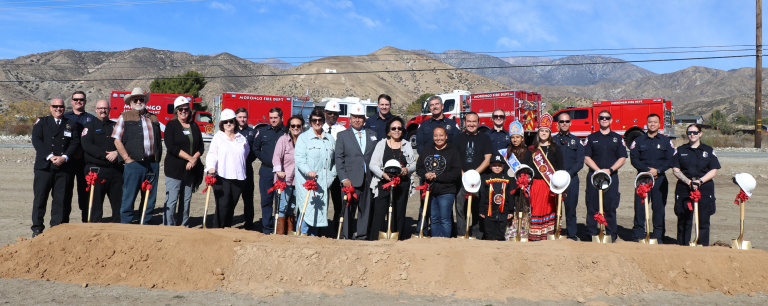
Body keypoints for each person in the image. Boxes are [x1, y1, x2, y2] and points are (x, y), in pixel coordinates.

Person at [112, 87, 163, 224]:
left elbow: (158, 140)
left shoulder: (153, 117)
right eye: (136, 100)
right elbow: (117, 140)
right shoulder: (124, 116)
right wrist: (127, 159)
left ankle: (145, 223)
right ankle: (127, 224)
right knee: (129, 195)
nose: (139, 101)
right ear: (130, 102)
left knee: (149, 196)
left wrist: (157, 158)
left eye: (141, 99)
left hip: (152, 163)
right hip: (134, 164)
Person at [31, 98, 80, 237]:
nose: (58, 109)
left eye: (61, 106)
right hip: (45, 166)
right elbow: (36, 140)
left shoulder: (70, 123)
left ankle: (56, 228)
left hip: (63, 167)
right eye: (55, 106)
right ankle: (37, 228)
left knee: (61, 199)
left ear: (65, 108)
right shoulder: (42, 122)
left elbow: (75, 142)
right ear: (50, 107)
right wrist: (50, 156)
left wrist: (64, 157)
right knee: (40, 198)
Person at [671, 124, 720, 246]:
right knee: (684, 220)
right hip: (684, 188)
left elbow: (714, 170)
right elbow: (675, 169)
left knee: (703, 220)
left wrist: (700, 181)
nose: (692, 135)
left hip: (704, 188)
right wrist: (688, 182)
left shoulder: (708, 151)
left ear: (700, 134)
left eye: (695, 132)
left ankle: (702, 247)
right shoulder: (680, 150)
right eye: (689, 132)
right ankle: (683, 246)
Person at [369, 116, 416, 240]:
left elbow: (413, 164)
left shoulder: (406, 144)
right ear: (388, 130)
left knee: (399, 213)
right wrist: (383, 174)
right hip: (384, 184)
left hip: (402, 184)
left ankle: (397, 239)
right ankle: (375, 239)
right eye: (393, 128)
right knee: (379, 213)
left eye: (399, 128)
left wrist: (406, 170)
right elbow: (372, 164)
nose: (396, 130)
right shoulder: (381, 144)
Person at [629, 113, 674, 243]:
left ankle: (658, 236)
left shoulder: (666, 141)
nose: (652, 124)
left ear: (659, 125)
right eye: (650, 122)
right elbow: (634, 159)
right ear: (646, 124)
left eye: (655, 122)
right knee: (640, 207)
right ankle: (638, 235)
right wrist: (647, 171)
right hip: (642, 179)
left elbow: (670, 159)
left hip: (659, 179)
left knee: (659, 208)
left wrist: (658, 171)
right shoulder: (638, 141)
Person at [335, 103, 377, 240]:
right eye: (355, 117)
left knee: (365, 210)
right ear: (350, 118)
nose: (357, 120)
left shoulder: (372, 135)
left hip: (368, 179)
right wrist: (343, 178)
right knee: (348, 210)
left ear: (364, 119)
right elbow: (338, 159)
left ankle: (362, 236)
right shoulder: (342, 136)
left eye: (360, 117)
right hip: (350, 180)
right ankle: (347, 235)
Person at [583, 110, 627, 242]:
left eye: (607, 118)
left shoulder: (618, 138)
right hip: (594, 177)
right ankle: (591, 233)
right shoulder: (591, 138)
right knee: (592, 205)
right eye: (601, 118)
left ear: (611, 120)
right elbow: (586, 157)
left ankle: (611, 235)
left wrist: (610, 170)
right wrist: (598, 171)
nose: (604, 120)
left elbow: (623, 158)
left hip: (611, 177)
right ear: (598, 120)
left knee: (610, 206)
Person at [162, 97, 204, 227]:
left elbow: (201, 147)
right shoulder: (171, 125)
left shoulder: (194, 126)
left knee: (186, 200)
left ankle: (183, 226)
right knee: (172, 200)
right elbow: (172, 147)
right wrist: (189, 158)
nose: (183, 111)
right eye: (180, 109)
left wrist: (194, 159)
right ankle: (169, 226)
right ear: (176, 111)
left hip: (190, 169)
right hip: (174, 169)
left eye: (186, 109)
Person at [294, 109, 337, 236]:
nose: (317, 122)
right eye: (314, 120)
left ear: (323, 121)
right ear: (310, 121)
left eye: (320, 120)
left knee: (319, 213)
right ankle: (301, 236)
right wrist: (309, 171)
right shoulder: (303, 138)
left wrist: (332, 176)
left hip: (323, 184)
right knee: (306, 210)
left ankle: (314, 239)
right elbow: (300, 159)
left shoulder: (330, 139)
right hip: (308, 183)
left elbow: (334, 161)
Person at [80, 99, 123, 223]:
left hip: (116, 171)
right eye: (100, 108)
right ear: (95, 110)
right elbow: (87, 145)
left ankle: (117, 228)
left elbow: (125, 143)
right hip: (97, 171)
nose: (103, 111)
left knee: (118, 204)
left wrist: (117, 153)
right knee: (95, 205)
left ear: (109, 110)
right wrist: (105, 155)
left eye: (105, 108)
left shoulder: (115, 126)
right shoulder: (89, 127)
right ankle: (95, 229)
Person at [206, 109, 249, 228]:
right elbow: (212, 154)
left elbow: (245, 154)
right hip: (222, 176)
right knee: (222, 205)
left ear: (235, 122)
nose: (228, 124)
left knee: (231, 206)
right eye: (225, 122)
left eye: (231, 121)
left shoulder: (241, 138)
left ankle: (227, 229)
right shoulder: (218, 137)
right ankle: (217, 229)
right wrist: (211, 167)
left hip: (239, 178)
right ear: (222, 124)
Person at [416, 126, 461, 238]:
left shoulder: (453, 151)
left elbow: (455, 173)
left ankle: (444, 242)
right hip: (430, 191)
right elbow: (419, 168)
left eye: (441, 135)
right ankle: (435, 242)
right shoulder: (426, 150)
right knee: (434, 219)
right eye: (435, 135)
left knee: (445, 219)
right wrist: (425, 175)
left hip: (446, 191)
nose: (438, 138)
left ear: (446, 136)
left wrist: (437, 176)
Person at [453, 112, 492, 239]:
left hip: (478, 179)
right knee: (460, 208)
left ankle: (477, 237)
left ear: (478, 123)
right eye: (469, 121)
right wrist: (464, 176)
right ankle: (461, 234)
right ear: (464, 123)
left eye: (474, 121)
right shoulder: (457, 139)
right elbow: (455, 160)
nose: (471, 124)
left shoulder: (485, 138)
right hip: (461, 178)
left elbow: (487, 160)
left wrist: (474, 175)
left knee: (477, 208)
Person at [63, 91, 97, 223]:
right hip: (67, 160)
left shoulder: (91, 119)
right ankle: (63, 221)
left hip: (84, 160)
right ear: (71, 101)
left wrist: (81, 152)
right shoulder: (65, 118)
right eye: (76, 99)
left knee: (85, 191)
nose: (78, 101)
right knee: (65, 191)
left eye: (81, 99)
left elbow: (92, 140)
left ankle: (86, 220)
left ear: (85, 101)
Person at [526, 124, 564, 241]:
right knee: (536, 208)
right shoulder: (532, 149)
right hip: (536, 184)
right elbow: (528, 167)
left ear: (549, 133)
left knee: (549, 208)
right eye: (541, 131)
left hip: (549, 184)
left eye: (546, 131)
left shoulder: (555, 148)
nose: (543, 133)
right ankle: (536, 235)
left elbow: (560, 167)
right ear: (538, 133)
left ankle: (549, 234)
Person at [551, 112, 584, 241]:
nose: (564, 124)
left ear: (570, 123)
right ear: (558, 124)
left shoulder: (576, 141)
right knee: (553, 207)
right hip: (554, 179)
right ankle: (555, 232)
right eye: (561, 122)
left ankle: (571, 234)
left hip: (571, 179)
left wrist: (568, 173)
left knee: (571, 207)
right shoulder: (552, 141)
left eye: (566, 121)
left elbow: (580, 161)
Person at [253, 107, 286, 233]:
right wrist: (265, 159)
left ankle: (279, 228)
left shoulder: (286, 132)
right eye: (271, 118)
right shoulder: (263, 131)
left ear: (281, 118)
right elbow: (256, 148)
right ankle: (267, 228)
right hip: (267, 171)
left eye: (275, 118)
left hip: (282, 173)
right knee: (266, 201)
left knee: (281, 201)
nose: (273, 120)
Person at [273, 115, 304, 234]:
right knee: (283, 206)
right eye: (293, 125)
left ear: (302, 127)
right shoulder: (283, 139)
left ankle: (290, 231)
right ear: (289, 127)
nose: (295, 128)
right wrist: (278, 170)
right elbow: (276, 156)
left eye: (298, 126)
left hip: (299, 180)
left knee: (292, 206)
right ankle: (280, 233)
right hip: (285, 179)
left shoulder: (304, 140)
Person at [504, 121, 533, 241]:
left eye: (517, 137)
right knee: (510, 210)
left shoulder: (527, 153)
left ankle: (523, 234)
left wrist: (523, 181)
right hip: (509, 186)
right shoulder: (507, 153)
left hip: (522, 186)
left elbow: (529, 169)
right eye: (513, 137)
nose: (515, 140)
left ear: (522, 138)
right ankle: (511, 235)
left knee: (523, 210)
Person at [322, 101, 346, 235]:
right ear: (325, 113)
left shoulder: (343, 131)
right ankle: (319, 228)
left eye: (335, 113)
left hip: (337, 172)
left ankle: (338, 229)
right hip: (322, 171)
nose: (332, 115)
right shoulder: (319, 128)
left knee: (338, 202)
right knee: (321, 200)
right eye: (330, 113)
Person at [479, 153, 515, 241]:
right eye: (494, 165)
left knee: (500, 232)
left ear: (503, 166)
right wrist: (481, 210)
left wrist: (511, 210)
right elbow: (482, 194)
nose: (497, 167)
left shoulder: (508, 179)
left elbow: (510, 195)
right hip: (489, 210)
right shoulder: (485, 179)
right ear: (490, 166)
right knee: (489, 232)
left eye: (499, 165)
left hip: (503, 210)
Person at [235, 108, 258, 230]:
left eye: (244, 117)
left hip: (247, 169)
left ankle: (249, 223)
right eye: (239, 117)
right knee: (232, 198)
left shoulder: (252, 133)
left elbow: (254, 151)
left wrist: (245, 162)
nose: (242, 119)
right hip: (233, 171)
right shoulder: (231, 131)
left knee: (248, 199)